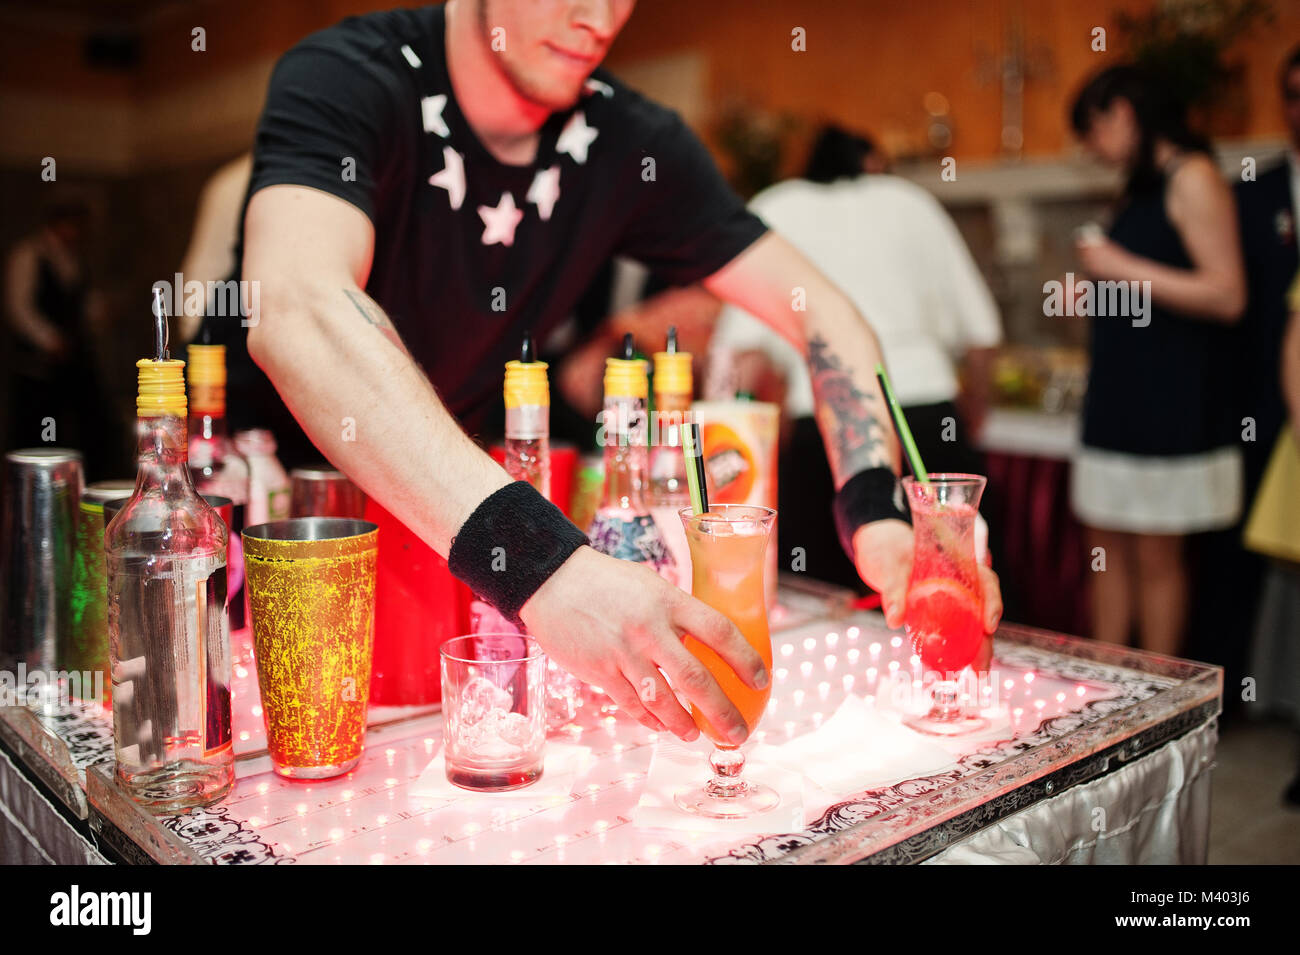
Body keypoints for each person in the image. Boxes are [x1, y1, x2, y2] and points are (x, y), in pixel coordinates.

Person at [219, 1, 1002, 745]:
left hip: (437, 525)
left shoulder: (627, 138)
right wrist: (544, 567)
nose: (597, 19)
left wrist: (876, 519)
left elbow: (822, 312)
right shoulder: (352, 75)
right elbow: (298, 311)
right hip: (271, 541)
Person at [706, 124, 1003, 590]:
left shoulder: (777, 204)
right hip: (928, 413)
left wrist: (756, 434)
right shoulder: (911, 201)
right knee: (950, 580)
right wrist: (977, 411)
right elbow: (982, 332)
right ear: (871, 163)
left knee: (828, 592)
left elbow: (739, 354)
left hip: (821, 428)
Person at [1068, 65, 1246, 656]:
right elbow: (1148, 293)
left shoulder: (1193, 176)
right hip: (1120, 396)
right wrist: (1095, 294)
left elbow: (1227, 294)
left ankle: (1160, 697)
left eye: (1092, 130)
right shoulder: (1138, 188)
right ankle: (1109, 686)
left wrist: (1117, 268)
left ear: (1122, 112)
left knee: (1156, 557)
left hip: (1171, 399)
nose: (1093, 150)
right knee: (1107, 550)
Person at [3, 201, 116, 479]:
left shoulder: (75, 259)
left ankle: (81, 484)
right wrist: (49, 340)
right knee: (36, 428)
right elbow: (18, 306)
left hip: (75, 359)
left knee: (89, 424)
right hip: (39, 364)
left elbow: (83, 301)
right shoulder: (29, 255)